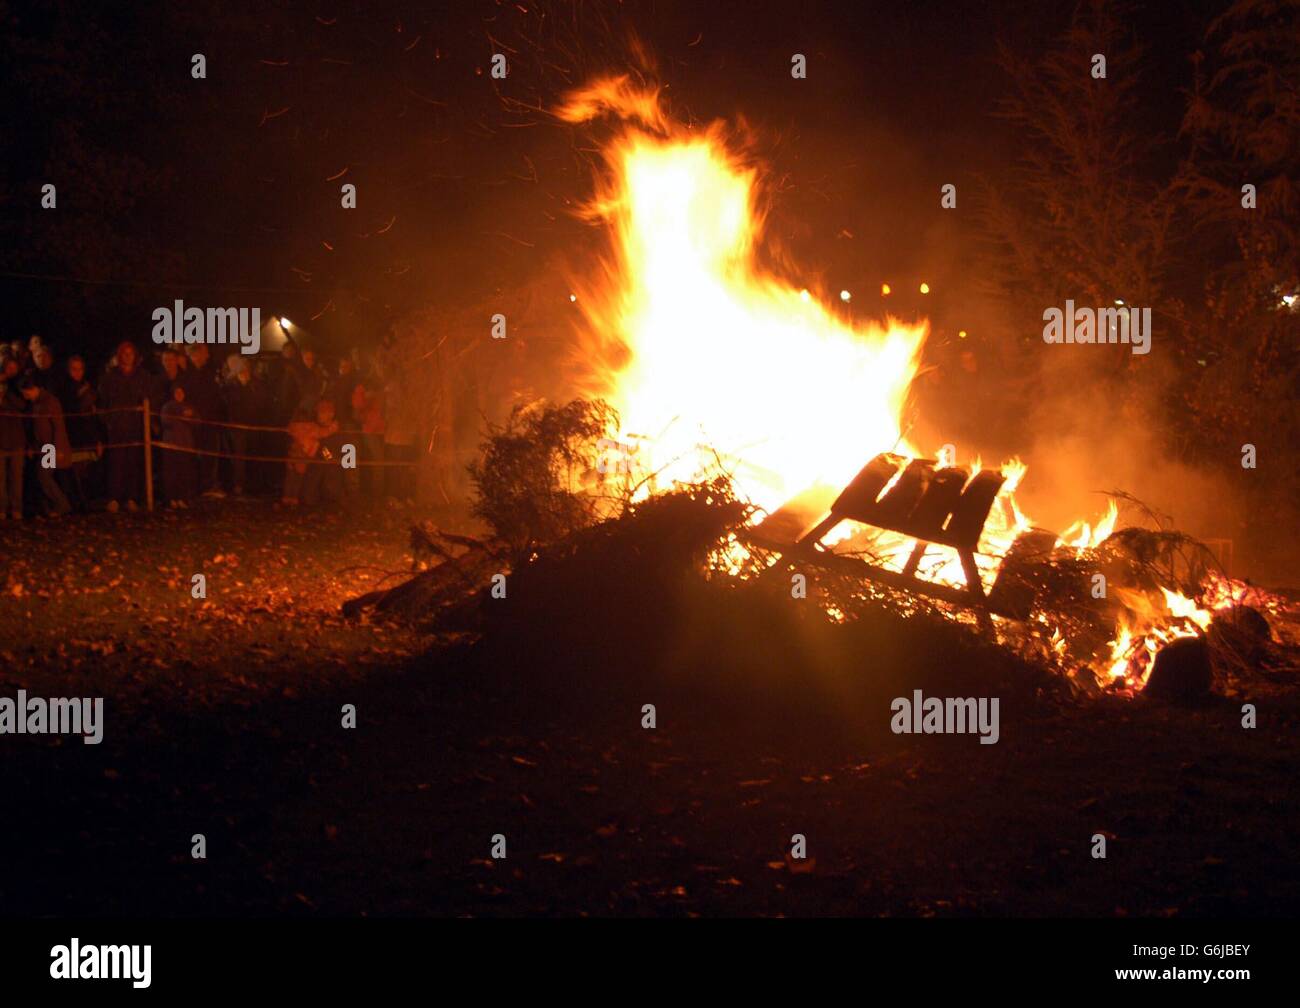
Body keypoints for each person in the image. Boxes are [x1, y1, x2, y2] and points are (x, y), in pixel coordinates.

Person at [98, 341, 151, 511]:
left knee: (133, 462)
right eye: (124, 353)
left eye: (131, 353)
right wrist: (108, 421)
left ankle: (131, 497)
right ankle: (114, 497)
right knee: (116, 463)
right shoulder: (110, 377)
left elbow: (146, 398)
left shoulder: (141, 376)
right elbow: (102, 401)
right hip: (116, 425)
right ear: (119, 355)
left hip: (135, 424)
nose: (128, 357)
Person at [20, 376, 72, 516]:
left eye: (26, 393)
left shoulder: (50, 402)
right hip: (43, 446)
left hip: (50, 447)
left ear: (33, 389)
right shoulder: (36, 404)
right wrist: (33, 446)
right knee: (42, 476)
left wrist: (58, 449)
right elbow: (37, 428)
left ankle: (62, 504)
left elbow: (58, 427)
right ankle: (53, 505)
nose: (25, 396)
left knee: (44, 476)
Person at [179, 344, 225, 496]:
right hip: (195, 422)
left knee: (210, 455)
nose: (207, 356)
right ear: (196, 354)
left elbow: (215, 397)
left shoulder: (209, 373)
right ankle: (195, 485)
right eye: (204, 352)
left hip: (210, 421)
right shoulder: (187, 375)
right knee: (194, 455)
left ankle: (207, 484)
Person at [283, 398, 340, 506]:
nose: (319, 415)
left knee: (292, 478)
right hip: (308, 458)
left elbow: (326, 446)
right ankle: (299, 498)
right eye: (319, 412)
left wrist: (328, 457)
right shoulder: (313, 428)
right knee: (302, 479)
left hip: (301, 457)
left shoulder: (296, 427)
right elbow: (323, 439)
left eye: (322, 413)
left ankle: (289, 497)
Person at [159, 384, 198, 508]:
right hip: (171, 444)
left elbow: (197, 421)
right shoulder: (168, 406)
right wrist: (182, 416)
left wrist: (189, 418)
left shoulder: (189, 406)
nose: (179, 395)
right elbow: (166, 421)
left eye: (182, 392)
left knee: (184, 473)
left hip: (185, 445)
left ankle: (182, 498)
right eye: (177, 392)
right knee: (171, 473)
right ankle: (171, 498)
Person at [0, 360, 25, 519]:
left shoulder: (20, 385)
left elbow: (22, 405)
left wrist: (5, 397)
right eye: (8, 368)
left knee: (16, 477)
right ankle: (1, 508)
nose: (11, 371)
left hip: (17, 438)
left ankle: (16, 507)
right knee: (0, 478)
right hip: (1, 437)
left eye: (14, 368)